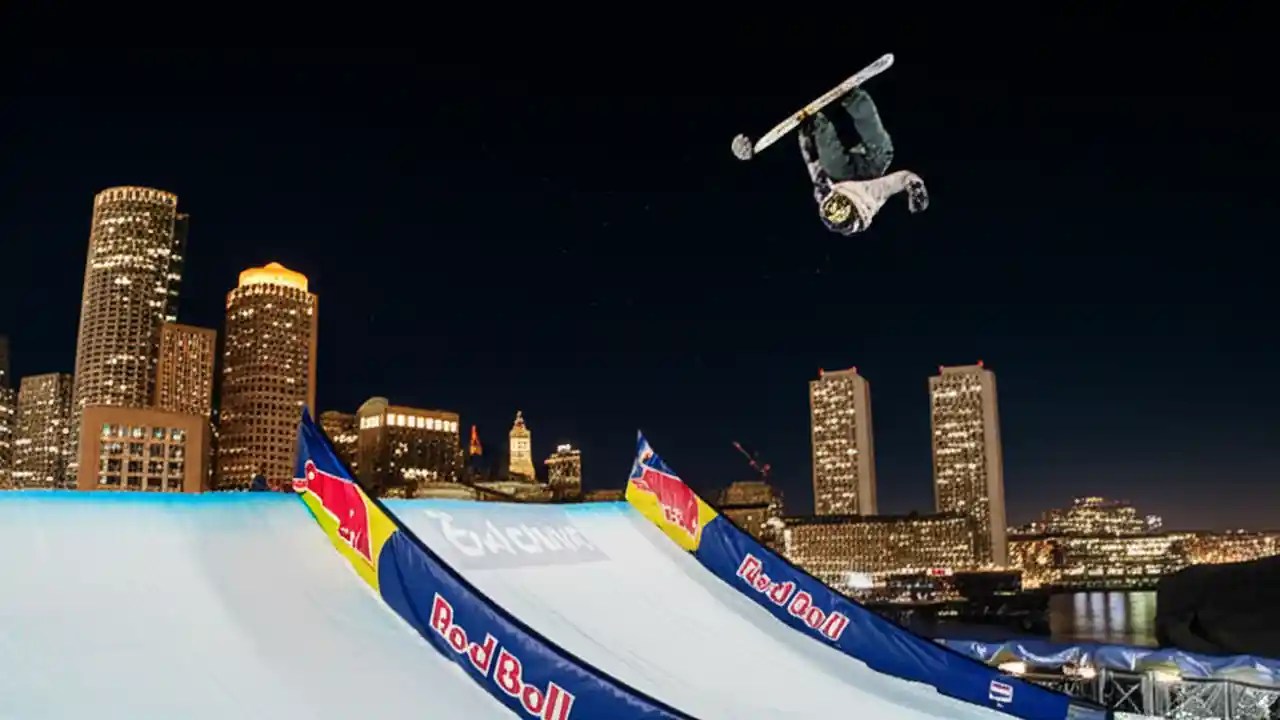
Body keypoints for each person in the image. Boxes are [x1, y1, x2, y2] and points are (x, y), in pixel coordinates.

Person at [797, 87, 928, 235]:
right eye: (841, 207)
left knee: (831, 165)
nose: (836, 203)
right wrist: (916, 188)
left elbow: (814, 165)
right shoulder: (871, 195)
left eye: (832, 204)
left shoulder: (824, 194)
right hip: (871, 168)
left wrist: (806, 136)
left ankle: (819, 125)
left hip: (841, 176)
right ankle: (856, 101)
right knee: (882, 149)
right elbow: (901, 179)